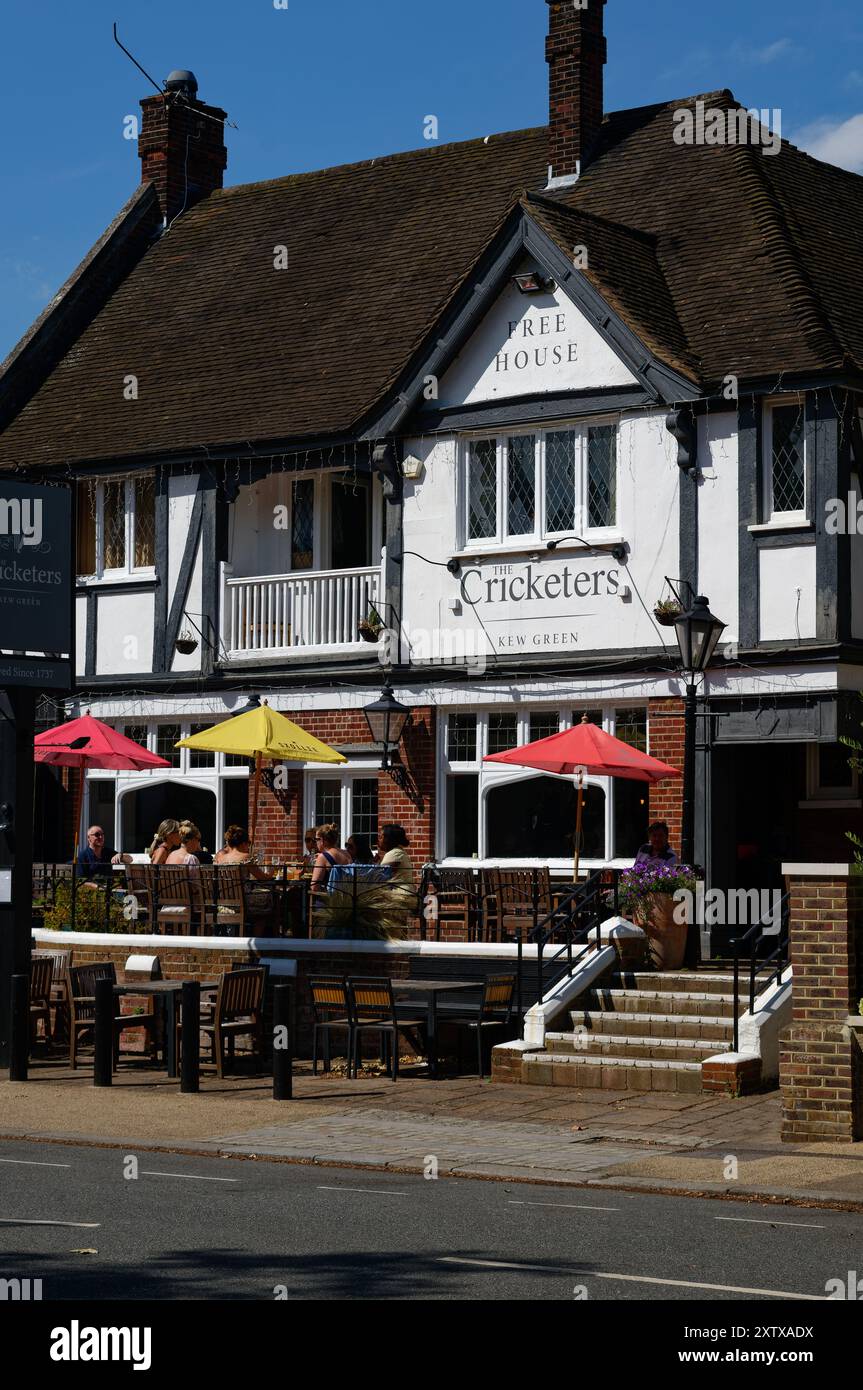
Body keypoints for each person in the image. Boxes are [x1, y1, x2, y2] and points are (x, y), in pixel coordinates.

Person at [310, 824, 351, 894]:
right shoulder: (346, 854)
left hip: (330, 900)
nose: (315, 842)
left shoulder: (323, 857)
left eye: (316, 839)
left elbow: (314, 887)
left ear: (322, 840)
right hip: (348, 898)